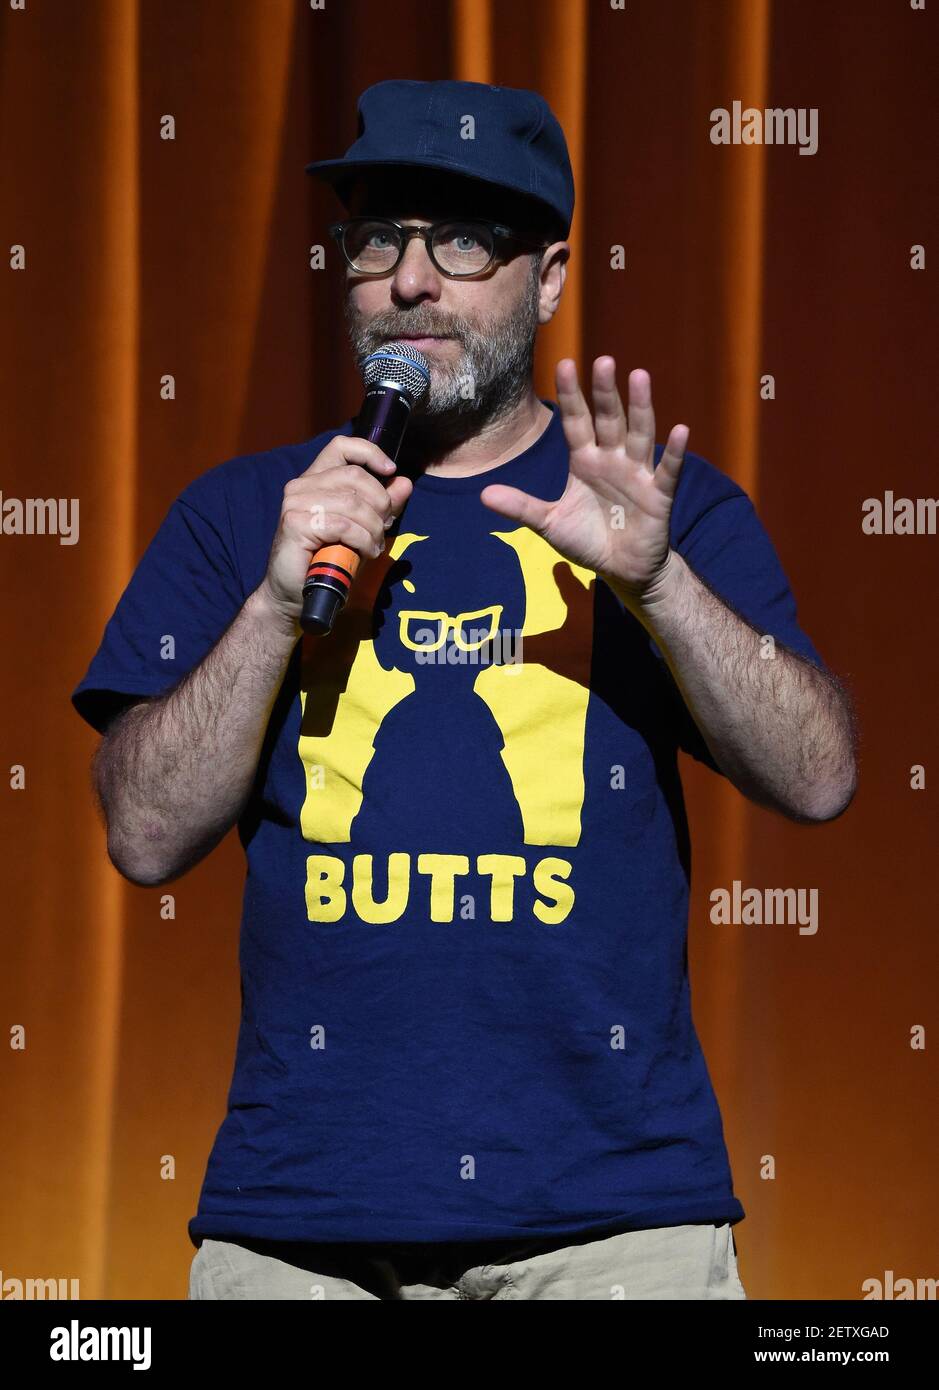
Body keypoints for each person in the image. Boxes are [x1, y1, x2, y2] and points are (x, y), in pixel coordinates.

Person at [71, 79, 857, 1301]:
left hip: (612, 1225)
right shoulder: (246, 517)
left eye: (464, 240)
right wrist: (276, 603)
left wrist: (659, 587)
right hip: (303, 1229)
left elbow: (819, 778)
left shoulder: (657, 510)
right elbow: (144, 832)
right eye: (380, 235)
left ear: (547, 278)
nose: (411, 280)